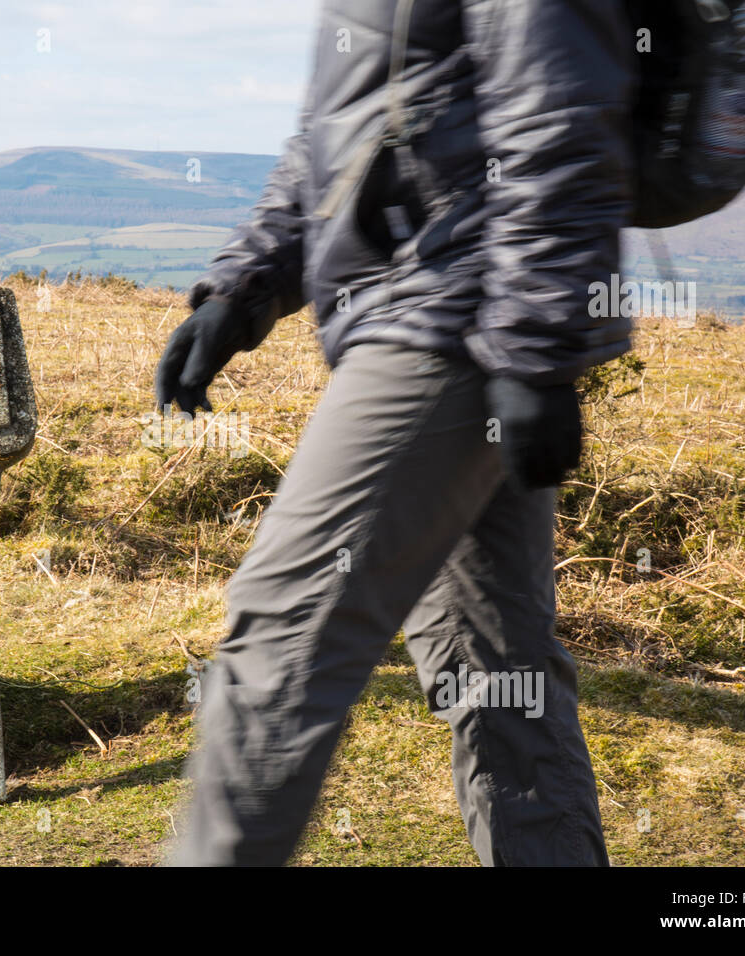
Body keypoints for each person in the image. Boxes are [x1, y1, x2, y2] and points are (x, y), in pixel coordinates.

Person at [155, 0, 635, 866]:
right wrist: (243, 288)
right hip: (444, 318)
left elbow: (559, 112)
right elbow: (336, 135)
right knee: (500, 672)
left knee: (284, 631)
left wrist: (536, 349)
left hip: (448, 319)